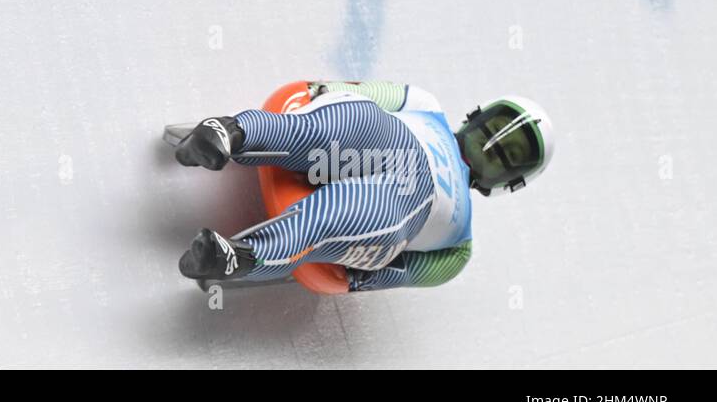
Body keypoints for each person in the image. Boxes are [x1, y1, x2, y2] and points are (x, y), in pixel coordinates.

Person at [170, 80, 554, 291]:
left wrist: (356, 277)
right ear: (478, 115)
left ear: (509, 180)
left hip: (405, 204)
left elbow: (400, 273)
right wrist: (323, 91)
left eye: (503, 157)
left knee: (345, 214)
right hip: (378, 141)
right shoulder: (425, 103)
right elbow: (362, 96)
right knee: (350, 123)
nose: (489, 148)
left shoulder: (458, 248)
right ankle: (232, 134)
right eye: (495, 131)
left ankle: (242, 255)